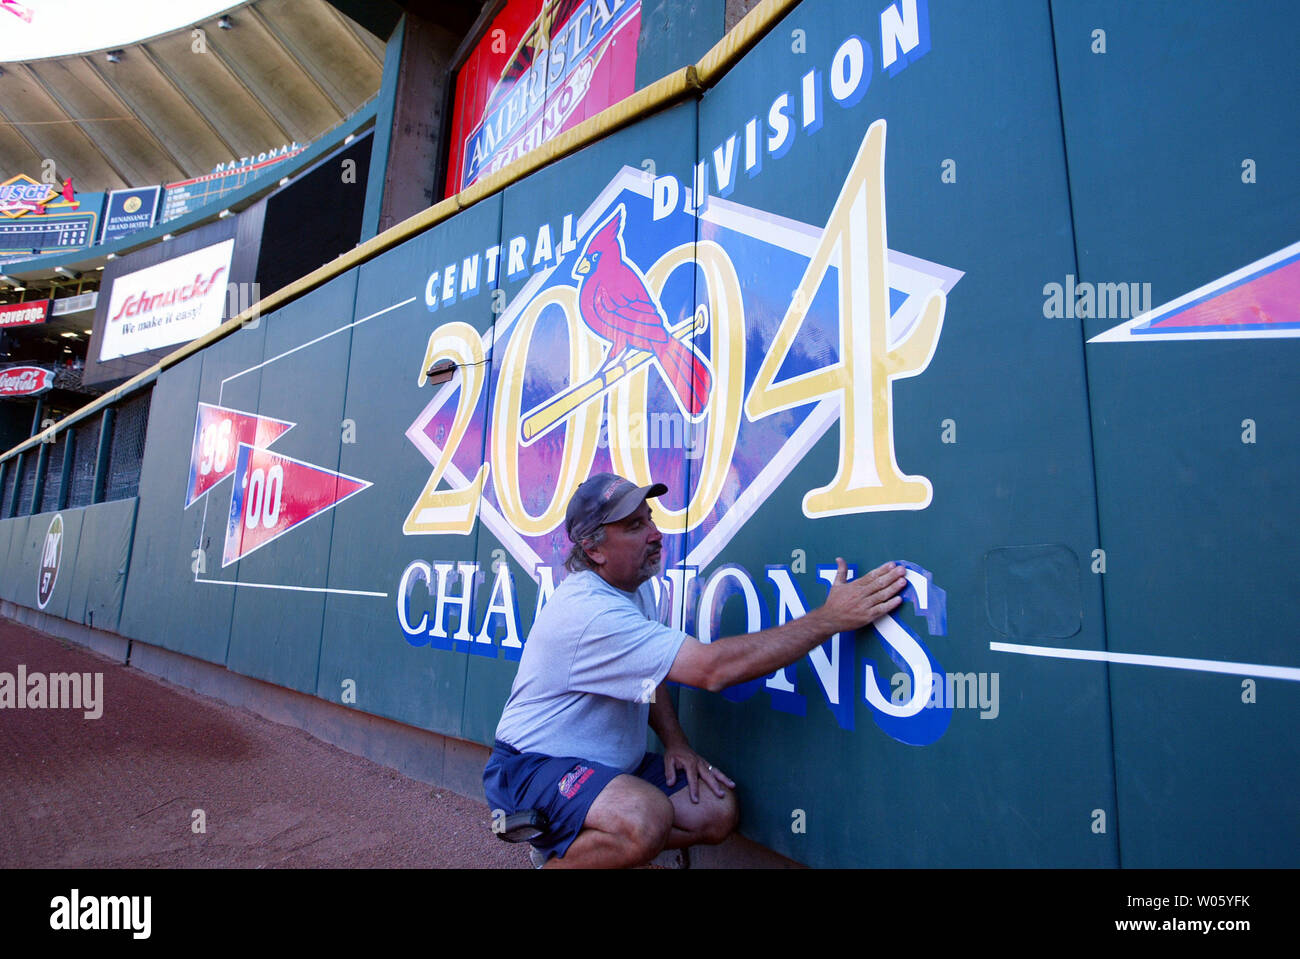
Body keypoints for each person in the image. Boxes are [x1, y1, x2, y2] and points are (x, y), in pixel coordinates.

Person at [483, 472, 908, 868]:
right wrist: (829, 619)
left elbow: (648, 676)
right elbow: (713, 669)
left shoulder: (631, 588)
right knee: (644, 819)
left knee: (716, 809)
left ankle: (577, 840)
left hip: (607, 769)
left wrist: (677, 743)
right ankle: (559, 855)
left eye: (649, 518)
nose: (655, 533)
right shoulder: (590, 611)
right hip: (530, 768)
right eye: (633, 527)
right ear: (593, 549)